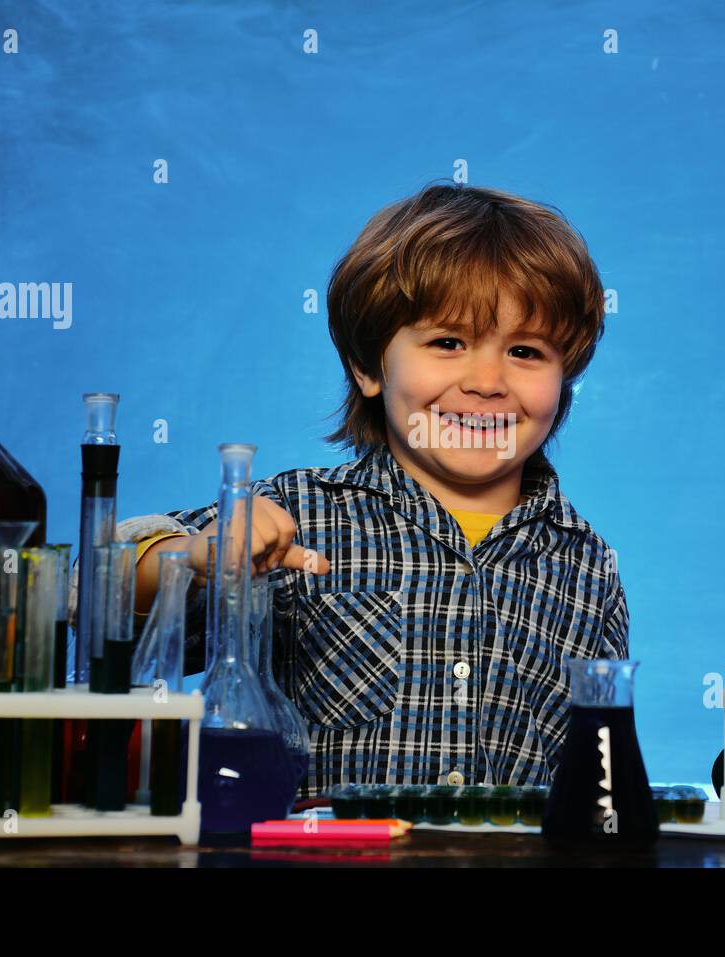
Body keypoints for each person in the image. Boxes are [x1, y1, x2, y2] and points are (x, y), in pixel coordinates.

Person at [125, 181, 628, 798]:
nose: (488, 381)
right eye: (449, 342)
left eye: (526, 351)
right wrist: (197, 556)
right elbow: (97, 588)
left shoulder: (586, 564)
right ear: (368, 367)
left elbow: (600, 776)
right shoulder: (295, 517)